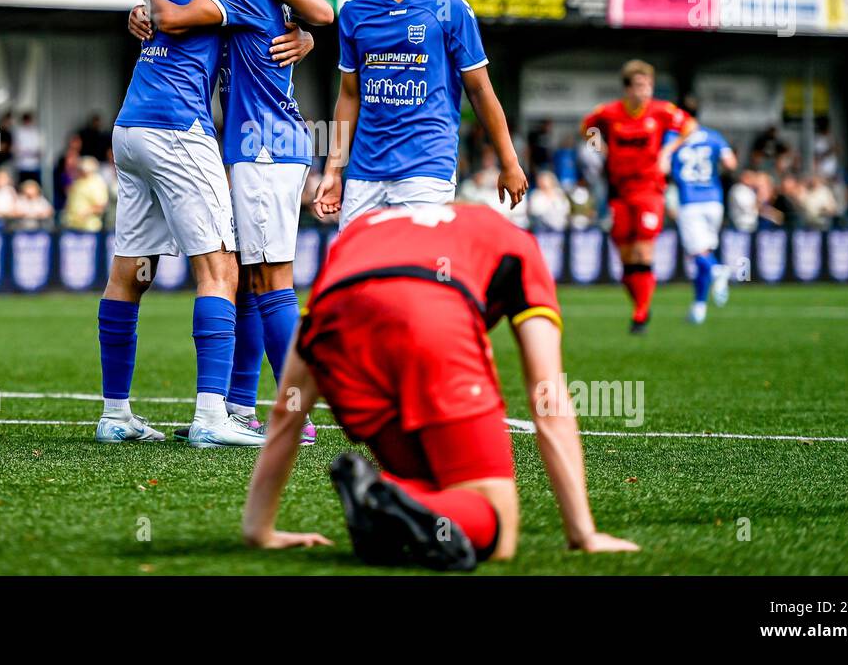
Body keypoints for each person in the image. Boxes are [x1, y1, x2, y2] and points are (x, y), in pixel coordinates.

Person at [241, 203, 639, 570]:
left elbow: (291, 395)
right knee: (495, 524)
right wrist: (583, 533)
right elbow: (548, 394)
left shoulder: (366, 228)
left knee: (440, 484)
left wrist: (259, 528)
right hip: (431, 318)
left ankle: (390, 502)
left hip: (338, 339)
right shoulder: (517, 242)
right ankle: (398, 499)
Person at [98, 0, 331, 448]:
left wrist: (149, 0)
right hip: (189, 132)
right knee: (232, 274)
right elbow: (174, 17)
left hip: (156, 130)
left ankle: (129, 412)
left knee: (211, 276)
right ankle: (223, 413)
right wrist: (148, 5)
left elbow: (317, 12)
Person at [313, 0, 528, 225]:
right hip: (363, 172)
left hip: (426, 170)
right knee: (359, 271)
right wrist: (333, 170)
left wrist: (509, 162)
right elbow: (349, 96)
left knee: (419, 270)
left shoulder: (450, 9)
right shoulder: (354, 12)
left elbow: (481, 91)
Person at [580, 60, 697, 334]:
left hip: (649, 189)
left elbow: (689, 125)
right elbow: (587, 127)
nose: (646, 91)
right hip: (619, 191)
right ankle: (640, 305)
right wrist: (601, 148)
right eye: (640, 86)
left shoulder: (660, 111)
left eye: (649, 85)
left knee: (644, 249)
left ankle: (640, 314)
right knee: (625, 257)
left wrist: (669, 151)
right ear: (627, 88)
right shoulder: (610, 113)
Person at [665, 109, 737, 325]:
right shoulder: (714, 136)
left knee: (698, 254)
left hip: (690, 201)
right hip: (714, 200)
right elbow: (731, 164)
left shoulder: (672, 138)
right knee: (704, 252)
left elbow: (664, 166)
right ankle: (699, 308)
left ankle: (718, 271)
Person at [62, 156, 107, 231]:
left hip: (89, 228)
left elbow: (101, 206)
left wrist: (86, 212)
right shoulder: (77, 181)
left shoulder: (97, 182)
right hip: (71, 225)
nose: (79, 170)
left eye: (81, 169)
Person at [13, 112, 44, 187]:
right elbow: (16, 150)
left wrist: (26, 152)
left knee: (36, 186)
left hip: (35, 166)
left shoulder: (37, 132)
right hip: (22, 166)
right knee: (23, 187)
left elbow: (40, 151)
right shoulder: (18, 132)